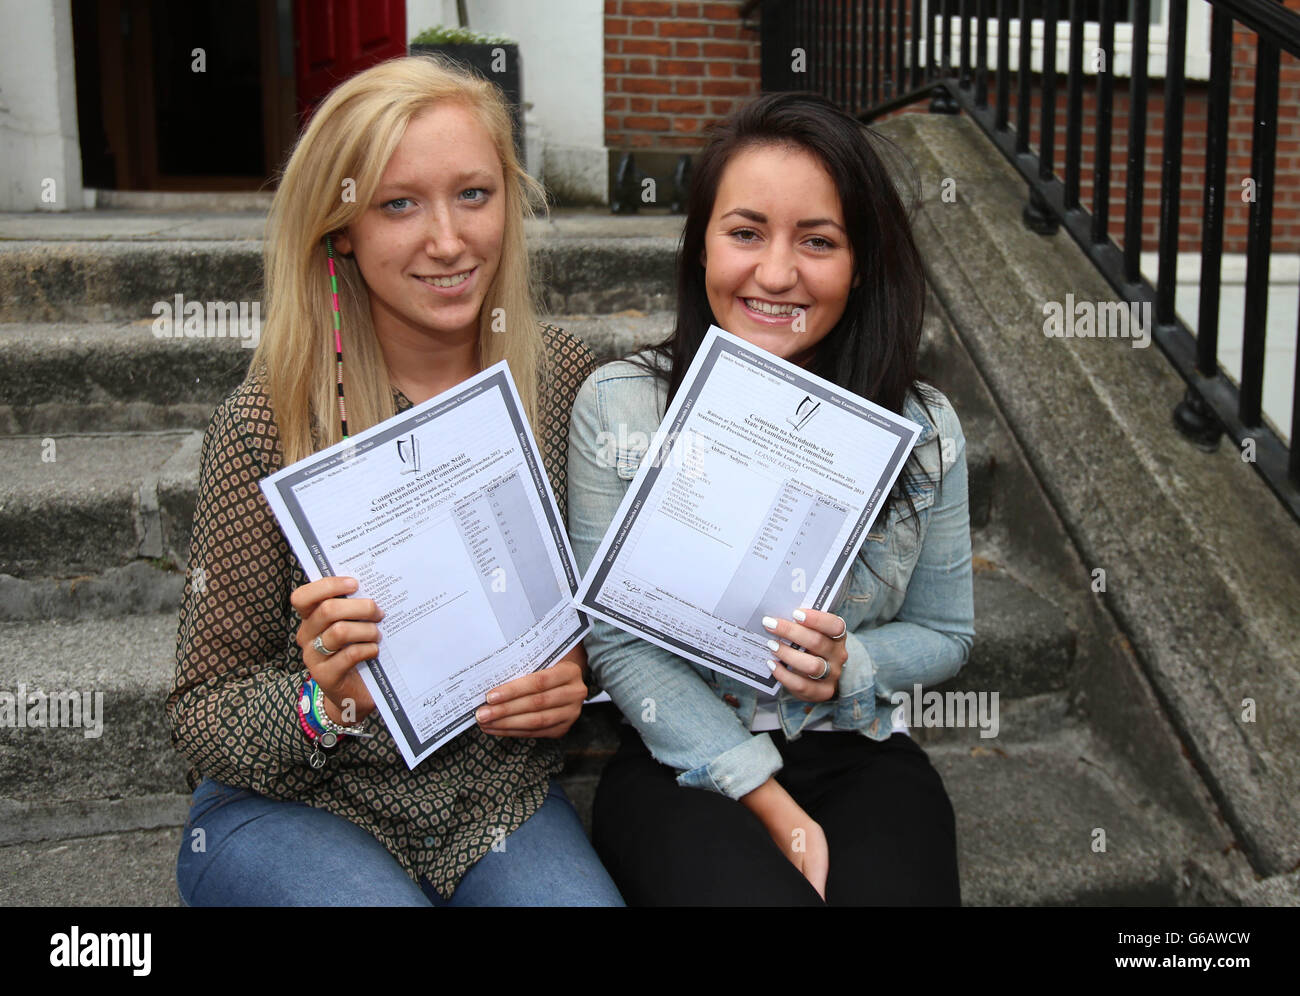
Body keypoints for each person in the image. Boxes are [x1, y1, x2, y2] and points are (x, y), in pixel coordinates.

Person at [167, 56, 622, 907]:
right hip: (296, 805)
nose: (447, 240)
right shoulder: (270, 420)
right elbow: (202, 713)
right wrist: (324, 702)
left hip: (493, 799)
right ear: (341, 227)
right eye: (398, 204)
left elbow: (602, 604)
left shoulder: (560, 378)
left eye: (474, 195)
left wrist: (576, 675)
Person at [566, 91, 975, 906]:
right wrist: (771, 802)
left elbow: (946, 630)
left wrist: (849, 663)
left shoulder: (924, 428)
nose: (777, 273)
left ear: (861, 267)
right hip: (681, 758)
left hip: (858, 750)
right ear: (702, 247)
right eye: (745, 232)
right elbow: (618, 644)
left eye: (817, 241)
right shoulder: (620, 408)